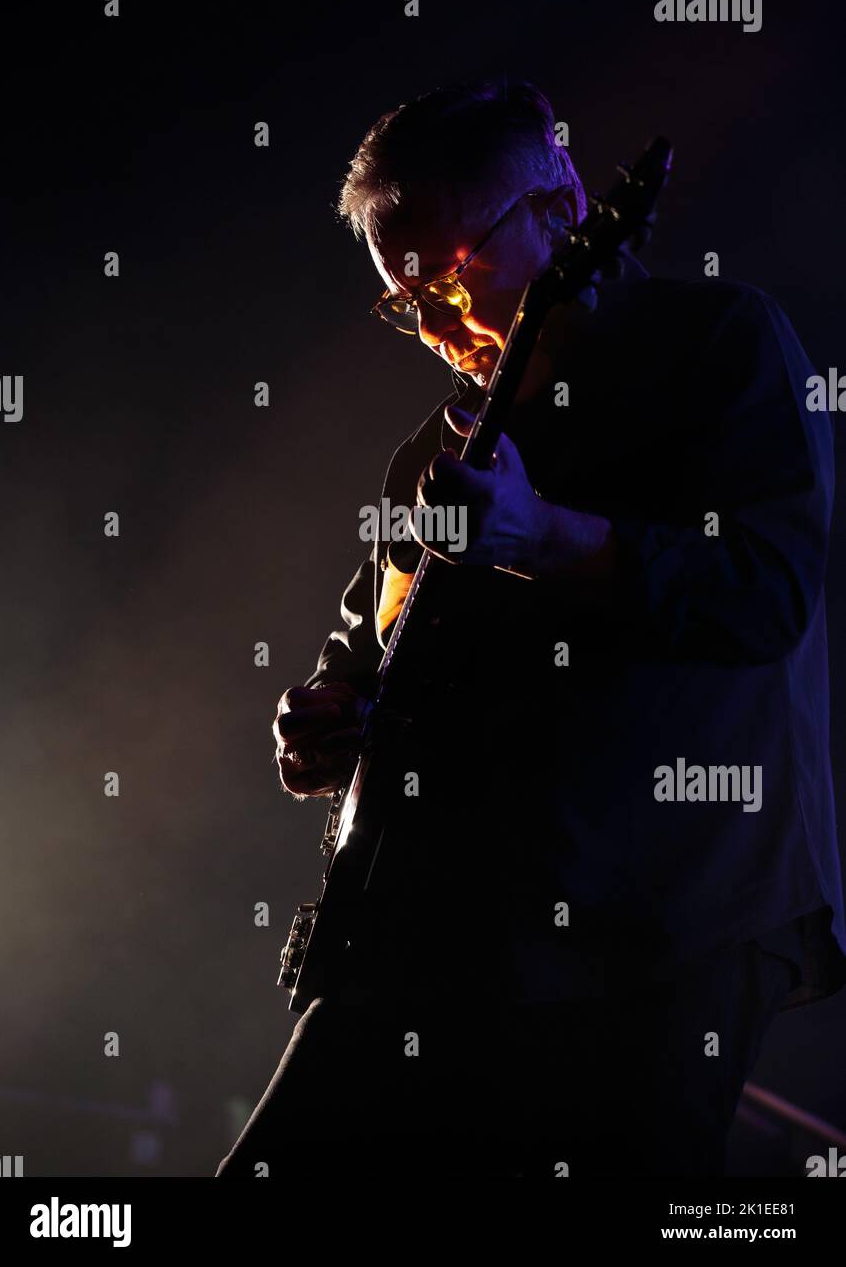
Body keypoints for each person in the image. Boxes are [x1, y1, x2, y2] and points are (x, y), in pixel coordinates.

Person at [216, 80, 846, 1178]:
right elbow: (369, 645)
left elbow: (764, 589)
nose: (432, 326)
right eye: (402, 300)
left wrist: (548, 536)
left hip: (665, 922)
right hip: (440, 933)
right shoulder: (431, 452)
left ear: (558, 207)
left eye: (454, 276)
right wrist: (329, 711)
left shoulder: (717, 342)